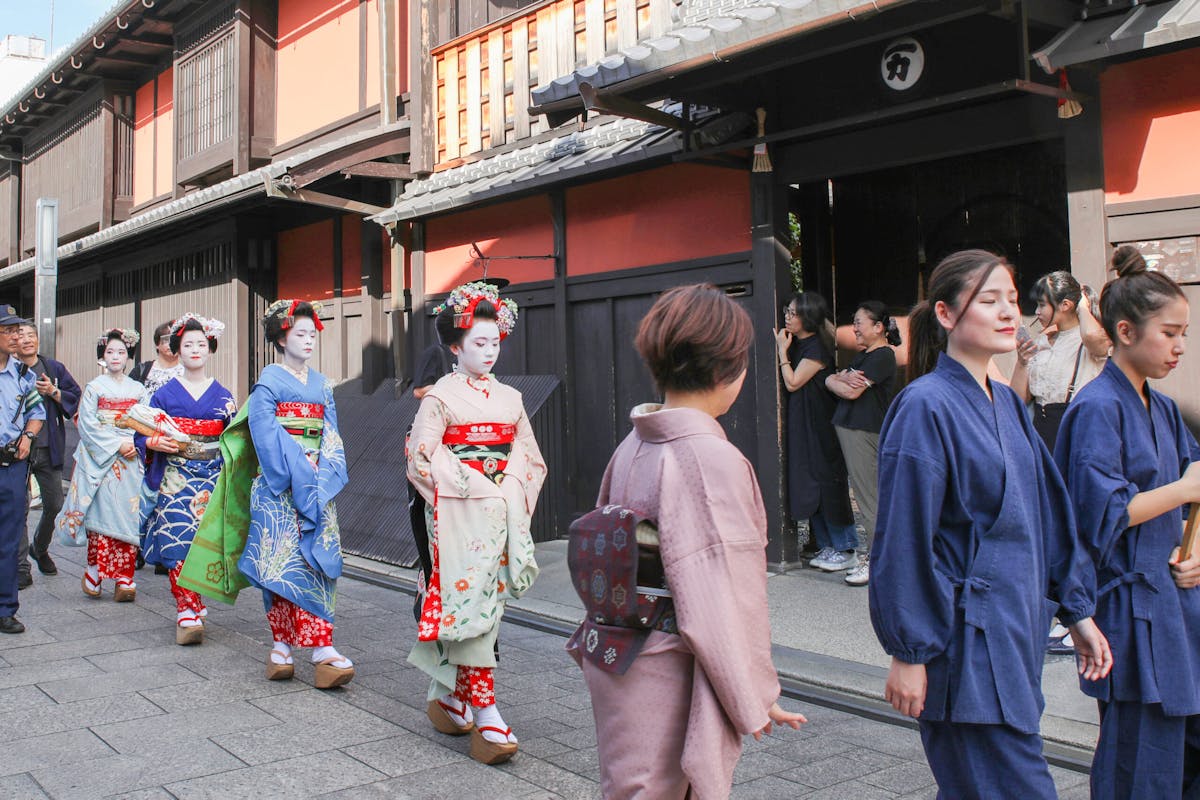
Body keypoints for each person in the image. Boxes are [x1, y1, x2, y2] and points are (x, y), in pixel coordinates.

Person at [869, 250, 1111, 799]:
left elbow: (1046, 513)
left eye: (1013, 299)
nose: (1008, 312)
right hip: (963, 644)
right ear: (946, 314)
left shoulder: (1004, 400)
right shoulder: (924, 405)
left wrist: (1076, 609)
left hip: (1014, 632)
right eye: (989, 300)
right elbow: (904, 537)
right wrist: (908, 650)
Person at [570, 284, 805, 797]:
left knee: (632, 786)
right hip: (667, 666)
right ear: (729, 369)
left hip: (620, 653)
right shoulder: (711, 459)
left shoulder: (633, 444)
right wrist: (754, 689)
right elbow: (725, 595)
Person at [1055, 245, 1200, 799]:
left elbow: (1191, 499)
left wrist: (1194, 551)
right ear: (1125, 331)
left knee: (1184, 743)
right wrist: (1182, 490)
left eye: (1184, 333)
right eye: (1169, 333)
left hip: (1175, 597)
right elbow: (1102, 513)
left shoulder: (1161, 408)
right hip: (1129, 604)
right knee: (1141, 753)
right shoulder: (1096, 407)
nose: (1180, 346)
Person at [178, 300, 354, 689]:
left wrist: (324, 472)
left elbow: (332, 434)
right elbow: (264, 432)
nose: (308, 340)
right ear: (281, 338)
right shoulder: (268, 383)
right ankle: (281, 645)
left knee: (317, 561)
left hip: (317, 485)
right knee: (279, 563)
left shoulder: (323, 385)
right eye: (300, 333)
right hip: (278, 488)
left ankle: (322, 646)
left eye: (312, 334)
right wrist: (298, 469)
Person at [406, 281, 546, 765]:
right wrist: (475, 490)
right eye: (478, 343)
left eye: (495, 342)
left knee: (485, 607)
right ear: (455, 346)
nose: (489, 352)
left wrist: (506, 492)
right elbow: (421, 458)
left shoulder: (511, 398)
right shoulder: (439, 398)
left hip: (498, 512)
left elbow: (529, 457)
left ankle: (449, 697)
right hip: (457, 517)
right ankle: (486, 712)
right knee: (470, 607)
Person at [137, 314, 236, 646]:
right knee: (177, 537)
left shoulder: (223, 396)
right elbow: (143, 431)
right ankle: (186, 608)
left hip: (212, 476)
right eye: (188, 344)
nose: (195, 349)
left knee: (205, 542)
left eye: (201, 344)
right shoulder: (163, 395)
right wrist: (152, 442)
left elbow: (235, 439)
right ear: (176, 350)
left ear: (210, 348)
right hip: (175, 476)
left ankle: (195, 600)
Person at [55, 329, 146, 602]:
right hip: (102, 459)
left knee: (128, 514)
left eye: (121, 352)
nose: (116, 357)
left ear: (129, 356)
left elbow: (146, 420)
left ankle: (125, 578)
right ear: (102, 356)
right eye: (110, 352)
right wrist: (116, 444)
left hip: (130, 458)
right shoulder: (94, 387)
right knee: (100, 515)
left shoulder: (138, 389)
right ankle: (95, 571)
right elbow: (87, 423)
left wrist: (135, 442)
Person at [775, 292, 859, 572]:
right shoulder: (800, 344)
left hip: (820, 424)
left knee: (827, 482)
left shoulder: (816, 349)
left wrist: (781, 352)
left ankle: (846, 548)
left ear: (808, 317)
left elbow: (793, 382)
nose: (787, 317)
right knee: (809, 481)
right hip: (804, 421)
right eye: (787, 311)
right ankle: (827, 545)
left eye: (793, 313)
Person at [825, 301, 900, 587]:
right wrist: (836, 378)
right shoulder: (864, 356)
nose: (854, 328)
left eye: (859, 322)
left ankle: (876, 560)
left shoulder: (882, 356)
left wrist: (836, 380)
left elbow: (851, 392)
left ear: (878, 327)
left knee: (869, 499)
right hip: (853, 430)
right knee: (867, 495)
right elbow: (836, 382)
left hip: (864, 432)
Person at [1009, 270, 1108, 450]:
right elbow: (1016, 401)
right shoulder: (1042, 342)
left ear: (1065, 305)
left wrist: (1083, 306)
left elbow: (1093, 337)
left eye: (1042, 305)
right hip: (1043, 433)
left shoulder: (1087, 341)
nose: (1037, 312)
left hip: (1079, 432)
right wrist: (1022, 362)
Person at [15, 322, 81, 585]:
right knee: (19, 507)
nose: (26, 340)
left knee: (54, 504)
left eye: (31, 335)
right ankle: (21, 567)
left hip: (47, 446)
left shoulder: (53, 368)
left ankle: (39, 547)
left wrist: (54, 392)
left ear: (37, 339)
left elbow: (75, 395)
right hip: (18, 450)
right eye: (21, 335)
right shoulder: (9, 369)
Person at [0, 305, 45, 634]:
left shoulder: (23, 374)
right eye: (9, 331)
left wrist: (28, 436)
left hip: (11, 466)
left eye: (18, 330)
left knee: (9, 540)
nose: (17, 336)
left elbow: (36, 412)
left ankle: (5, 609)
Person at [130, 321, 184, 395]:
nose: (171, 344)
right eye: (166, 340)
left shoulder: (187, 373)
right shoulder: (141, 370)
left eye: (175, 340)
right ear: (157, 345)